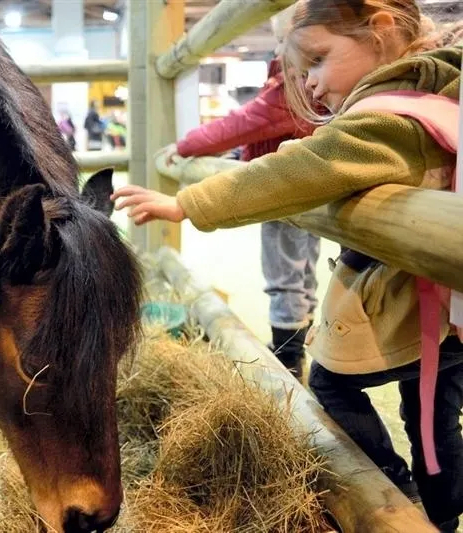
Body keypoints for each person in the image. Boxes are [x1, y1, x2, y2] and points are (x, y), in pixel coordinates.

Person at [111, 1, 462, 529]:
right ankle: (443, 511)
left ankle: (396, 494)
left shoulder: (388, 117)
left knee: (328, 385)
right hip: (446, 310)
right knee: (435, 417)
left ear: (382, 30)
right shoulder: (437, 94)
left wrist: (189, 202)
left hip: (409, 303)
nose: (313, 86)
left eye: (318, 61)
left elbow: (305, 165)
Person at [163, 5, 320, 380]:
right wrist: (240, 154)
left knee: (284, 271)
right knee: (303, 268)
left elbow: (248, 122)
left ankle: (288, 355)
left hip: (285, 190)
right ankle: (299, 343)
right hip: (303, 187)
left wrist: (187, 145)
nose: (279, 49)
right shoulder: (299, 80)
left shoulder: (294, 84)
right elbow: (262, 129)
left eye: (282, 40)